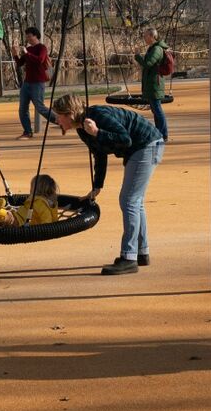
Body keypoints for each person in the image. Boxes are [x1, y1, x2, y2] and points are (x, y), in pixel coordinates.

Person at [53, 92, 164, 275]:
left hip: (146, 144)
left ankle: (129, 258)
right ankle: (141, 252)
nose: (57, 121)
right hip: (141, 147)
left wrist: (97, 132)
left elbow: (124, 139)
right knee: (135, 202)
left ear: (70, 114)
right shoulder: (83, 129)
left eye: (59, 116)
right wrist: (97, 186)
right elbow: (100, 154)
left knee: (129, 201)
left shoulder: (97, 117)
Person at [15, 26, 54, 138]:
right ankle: (27, 131)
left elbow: (39, 60)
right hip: (27, 83)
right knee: (22, 109)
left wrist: (26, 52)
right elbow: (20, 63)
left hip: (38, 83)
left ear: (36, 36)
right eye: (26, 36)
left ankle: (61, 121)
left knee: (40, 108)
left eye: (29, 36)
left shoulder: (42, 48)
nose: (27, 38)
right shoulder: (29, 50)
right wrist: (15, 54)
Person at [135, 27, 170, 140]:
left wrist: (137, 56)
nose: (144, 38)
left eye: (145, 36)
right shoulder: (152, 48)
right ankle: (159, 133)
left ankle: (163, 134)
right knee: (155, 109)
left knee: (157, 109)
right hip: (152, 83)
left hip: (155, 84)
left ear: (151, 36)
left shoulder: (157, 49)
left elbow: (148, 63)